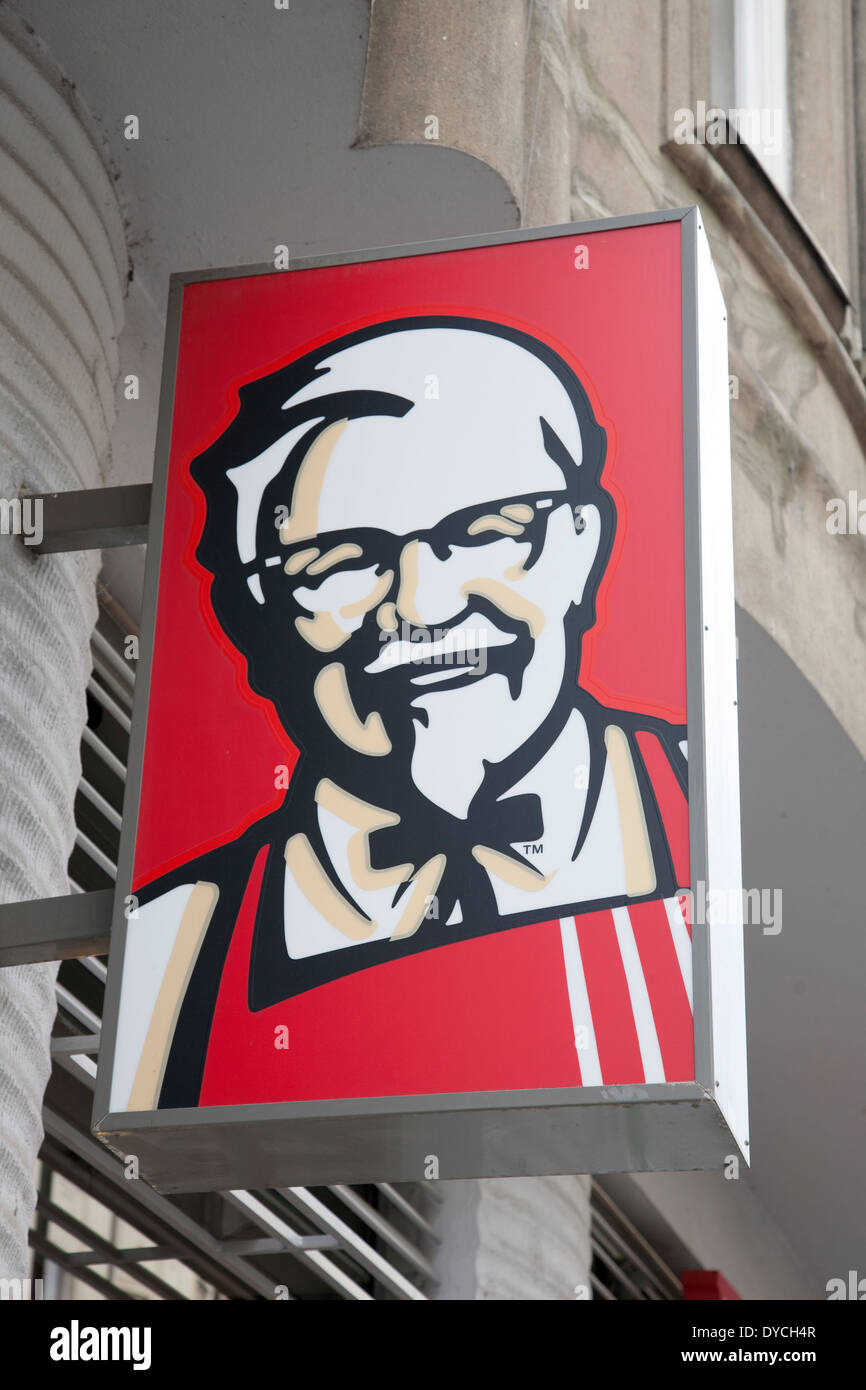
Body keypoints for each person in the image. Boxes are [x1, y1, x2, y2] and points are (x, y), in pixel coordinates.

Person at [110, 317, 693, 1113]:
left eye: (489, 530)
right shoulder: (167, 951)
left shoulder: (720, 826)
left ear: (583, 547)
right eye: (343, 560)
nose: (421, 605)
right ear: (256, 612)